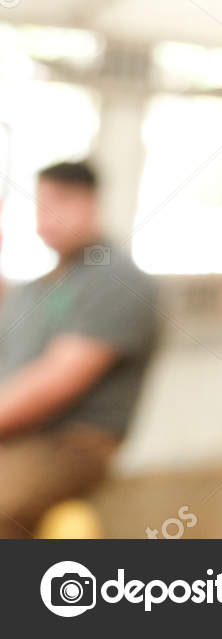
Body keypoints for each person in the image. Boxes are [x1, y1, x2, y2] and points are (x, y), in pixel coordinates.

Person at [0, 161, 159, 537]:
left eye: (60, 202)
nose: (47, 217)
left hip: (72, 444)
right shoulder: (36, 289)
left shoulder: (117, 280)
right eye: (41, 205)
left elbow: (55, 384)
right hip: (17, 436)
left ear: (91, 203)